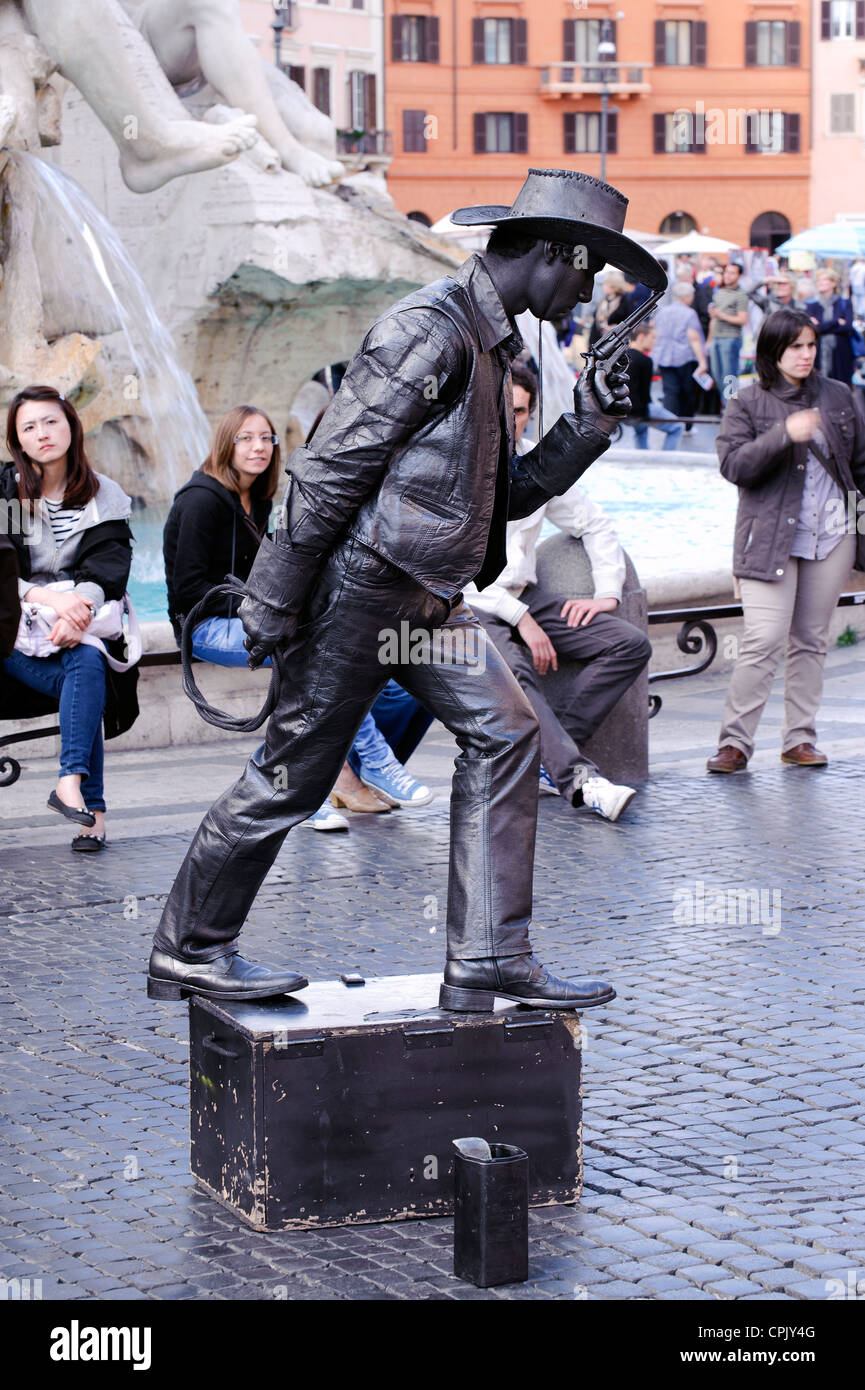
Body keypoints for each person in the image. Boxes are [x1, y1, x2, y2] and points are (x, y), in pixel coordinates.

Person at [147, 166, 665, 1013]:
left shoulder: (490, 342)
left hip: (425, 596)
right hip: (363, 592)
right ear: (544, 255)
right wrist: (272, 599)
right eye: (586, 269)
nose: (590, 289)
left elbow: (500, 499)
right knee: (288, 778)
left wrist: (589, 429)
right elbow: (328, 469)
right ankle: (190, 948)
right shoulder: (433, 329)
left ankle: (490, 954)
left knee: (505, 731)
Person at [163, 405, 432, 827]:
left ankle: (306, 789)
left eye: (266, 438)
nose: (258, 447)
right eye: (246, 438)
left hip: (251, 620)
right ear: (225, 444)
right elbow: (189, 592)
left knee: (325, 662)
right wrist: (266, 609)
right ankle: (361, 767)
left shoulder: (257, 499)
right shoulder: (201, 501)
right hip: (204, 628)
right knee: (315, 660)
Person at [465, 360, 651, 821]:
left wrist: (608, 591)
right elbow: (458, 571)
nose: (513, 420)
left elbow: (593, 521)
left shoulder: (538, 463)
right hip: (474, 606)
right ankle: (578, 780)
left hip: (525, 598)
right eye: (504, 408)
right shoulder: (462, 464)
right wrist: (521, 618)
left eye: (522, 410)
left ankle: (547, 759)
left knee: (627, 644)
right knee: (517, 679)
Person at [707, 309, 865, 774]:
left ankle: (800, 739)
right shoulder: (748, 401)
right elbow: (733, 467)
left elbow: (860, 468)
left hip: (832, 536)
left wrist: (860, 533)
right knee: (763, 639)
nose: (805, 354)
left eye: (811, 345)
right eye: (795, 346)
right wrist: (783, 435)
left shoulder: (840, 395)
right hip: (770, 539)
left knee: (812, 640)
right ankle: (735, 743)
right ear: (773, 352)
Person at [1, 385, 136, 851]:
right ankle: (89, 809)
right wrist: (49, 600)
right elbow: (2, 570)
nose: (42, 433)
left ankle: (72, 789)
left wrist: (76, 613)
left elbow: (108, 565)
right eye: (29, 427)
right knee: (87, 676)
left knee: (87, 662)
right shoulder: (10, 494)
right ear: (17, 440)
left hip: (73, 633)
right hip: (9, 640)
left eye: (51, 421)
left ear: (71, 427)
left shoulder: (103, 495)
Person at [653, 282, 708, 422]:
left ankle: (669, 421)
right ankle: (687, 422)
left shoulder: (662, 312)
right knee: (686, 392)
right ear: (686, 297)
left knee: (670, 391)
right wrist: (702, 361)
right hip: (684, 356)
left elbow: (654, 332)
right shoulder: (689, 314)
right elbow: (694, 338)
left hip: (664, 355)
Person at [625, 321, 684, 452]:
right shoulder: (645, 361)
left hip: (620, 409)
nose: (655, 341)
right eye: (652, 337)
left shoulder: (622, 357)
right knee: (677, 426)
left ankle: (643, 456)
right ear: (641, 337)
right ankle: (665, 460)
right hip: (637, 410)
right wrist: (644, 416)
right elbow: (645, 394)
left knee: (641, 431)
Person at [708, 261, 749, 408]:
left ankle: (731, 408)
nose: (728, 276)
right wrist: (709, 340)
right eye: (726, 272)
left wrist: (721, 315)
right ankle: (728, 405)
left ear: (739, 276)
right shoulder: (719, 292)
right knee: (717, 374)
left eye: (732, 273)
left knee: (729, 375)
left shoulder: (741, 295)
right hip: (717, 338)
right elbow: (714, 318)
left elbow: (743, 319)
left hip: (731, 338)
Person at [805, 270, 855, 386]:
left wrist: (822, 326)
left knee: (842, 388)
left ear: (833, 283)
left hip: (841, 354)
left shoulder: (844, 303)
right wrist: (836, 321)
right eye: (818, 280)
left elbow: (847, 328)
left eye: (824, 279)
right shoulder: (812, 305)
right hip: (819, 353)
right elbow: (813, 329)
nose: (820, 283)